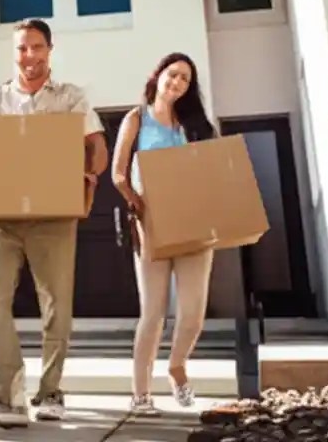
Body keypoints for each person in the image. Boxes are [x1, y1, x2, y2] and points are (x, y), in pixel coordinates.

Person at [0, 18, 108, 427]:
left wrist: (87, 175)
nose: (28, 55)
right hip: (4, 217)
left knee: (57, 306)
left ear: (50, 49)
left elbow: (96, 148)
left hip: (53, 215)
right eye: (21, 48)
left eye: (36, 47)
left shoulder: (70, 98)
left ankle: (50, 390)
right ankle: (8, 390)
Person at [110, 52, 218, 415]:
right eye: (173, 74)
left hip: (194, 224)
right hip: (151, 223)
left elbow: (215, 170)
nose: (177, 83)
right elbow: (119, 173)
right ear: (158, 76)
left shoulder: (197, 124)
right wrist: (137, 204)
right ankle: (141, 393)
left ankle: (176, 365)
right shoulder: (136, 118)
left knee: (192, 314)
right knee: (153, 313)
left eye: (185, 79)